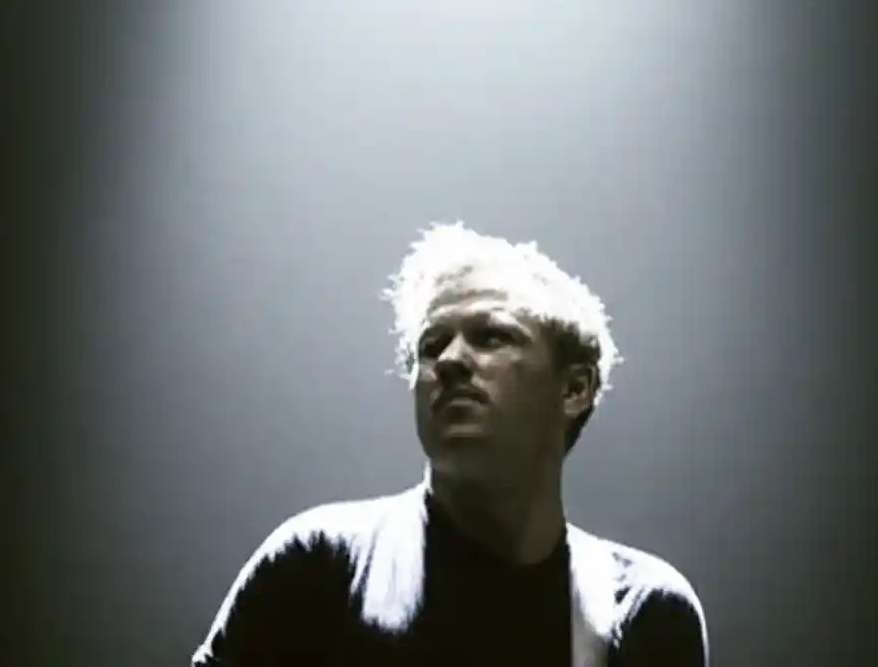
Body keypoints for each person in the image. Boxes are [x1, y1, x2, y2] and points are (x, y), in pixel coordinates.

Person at [191, 222, 709, 666]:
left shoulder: (641, 610)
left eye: (491, 337)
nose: (450, 361)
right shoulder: (317, 564)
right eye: (431, 346)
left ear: (574, 389)